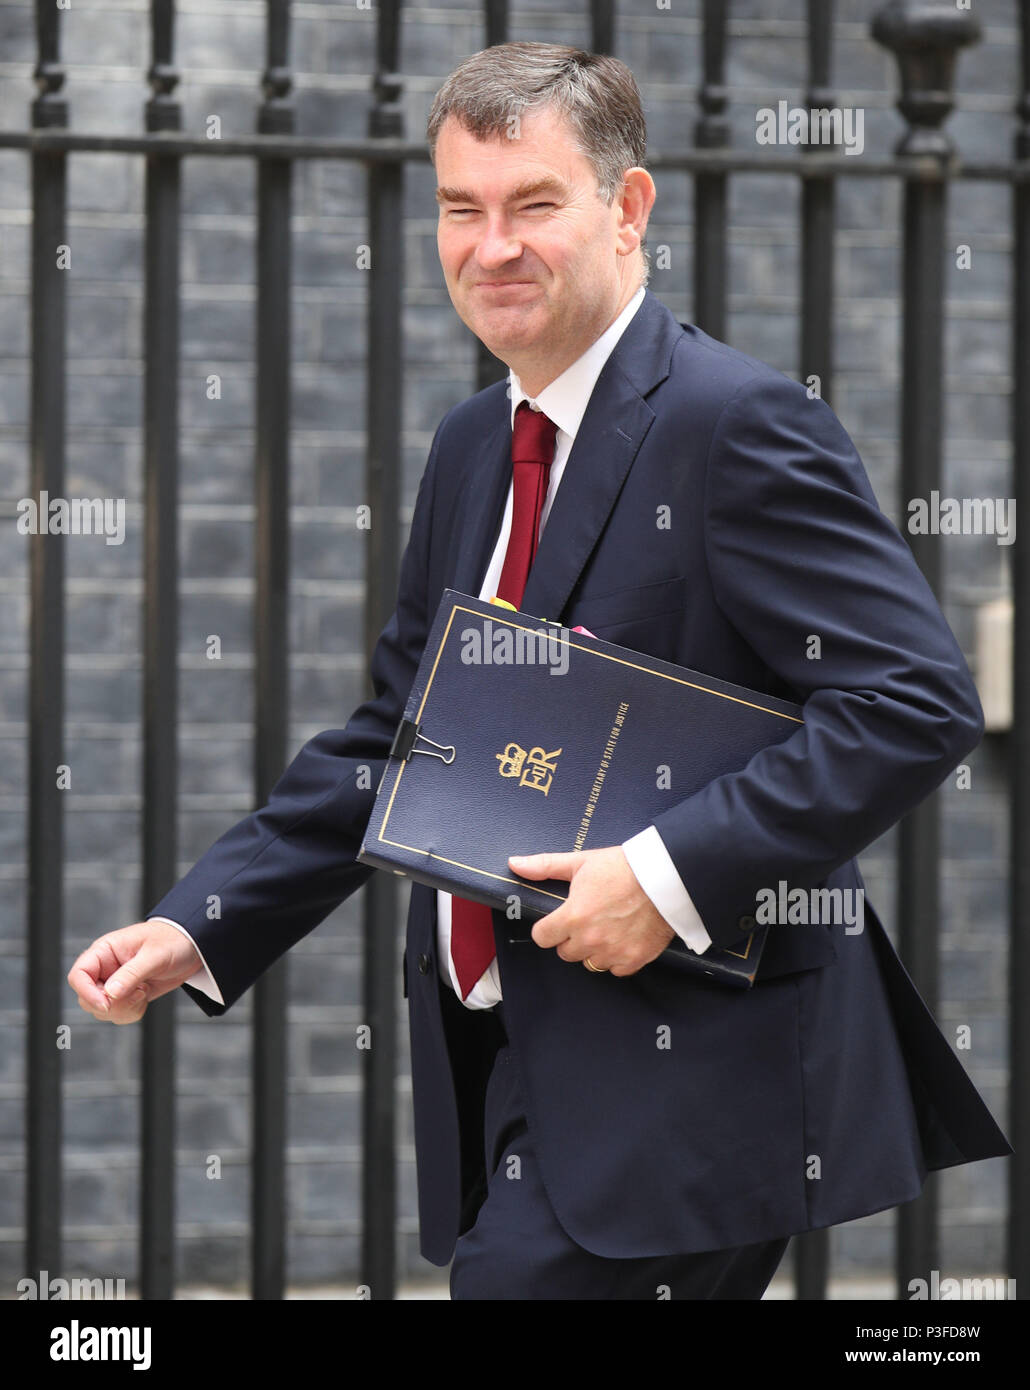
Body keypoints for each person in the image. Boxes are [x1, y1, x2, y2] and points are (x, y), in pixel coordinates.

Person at [68, 42, 1010, 1300]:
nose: (489, 245)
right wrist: (204, 921)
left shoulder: (733, 424)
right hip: (506, 1069)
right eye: (462, 209)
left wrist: (663, 876)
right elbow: (401, 735)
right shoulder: (473, 443)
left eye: (532, 205)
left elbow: (912, 700)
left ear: (628, 211)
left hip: (682, 1086)